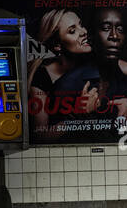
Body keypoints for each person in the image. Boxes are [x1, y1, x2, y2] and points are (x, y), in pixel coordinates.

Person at [26, 8, 100, 139]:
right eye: (72, 31)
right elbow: (40, 136)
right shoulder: (41, 78)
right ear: (57, 45)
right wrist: (78, 115)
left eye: (81, 25)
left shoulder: (92, 59)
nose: (84, 32)